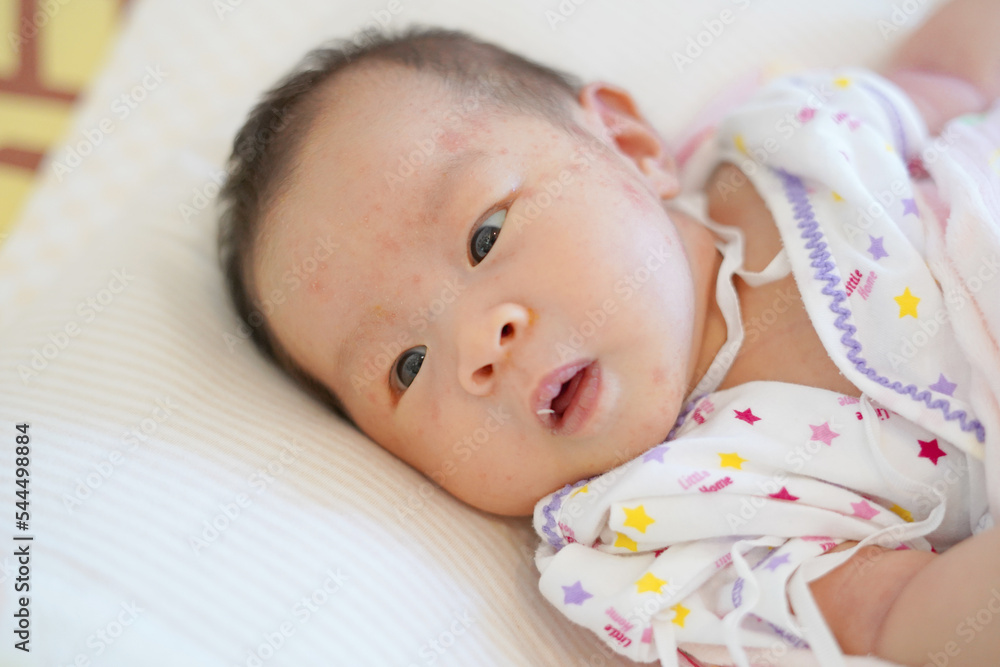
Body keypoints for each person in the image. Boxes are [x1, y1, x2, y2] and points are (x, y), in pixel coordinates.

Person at [217, 1, 1000, 664]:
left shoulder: (784, 148)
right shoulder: (650, 536)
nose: (481, 346)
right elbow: (903, 618)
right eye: (408, 364)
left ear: (627, 145)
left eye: (485, 238)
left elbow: (952, 79)